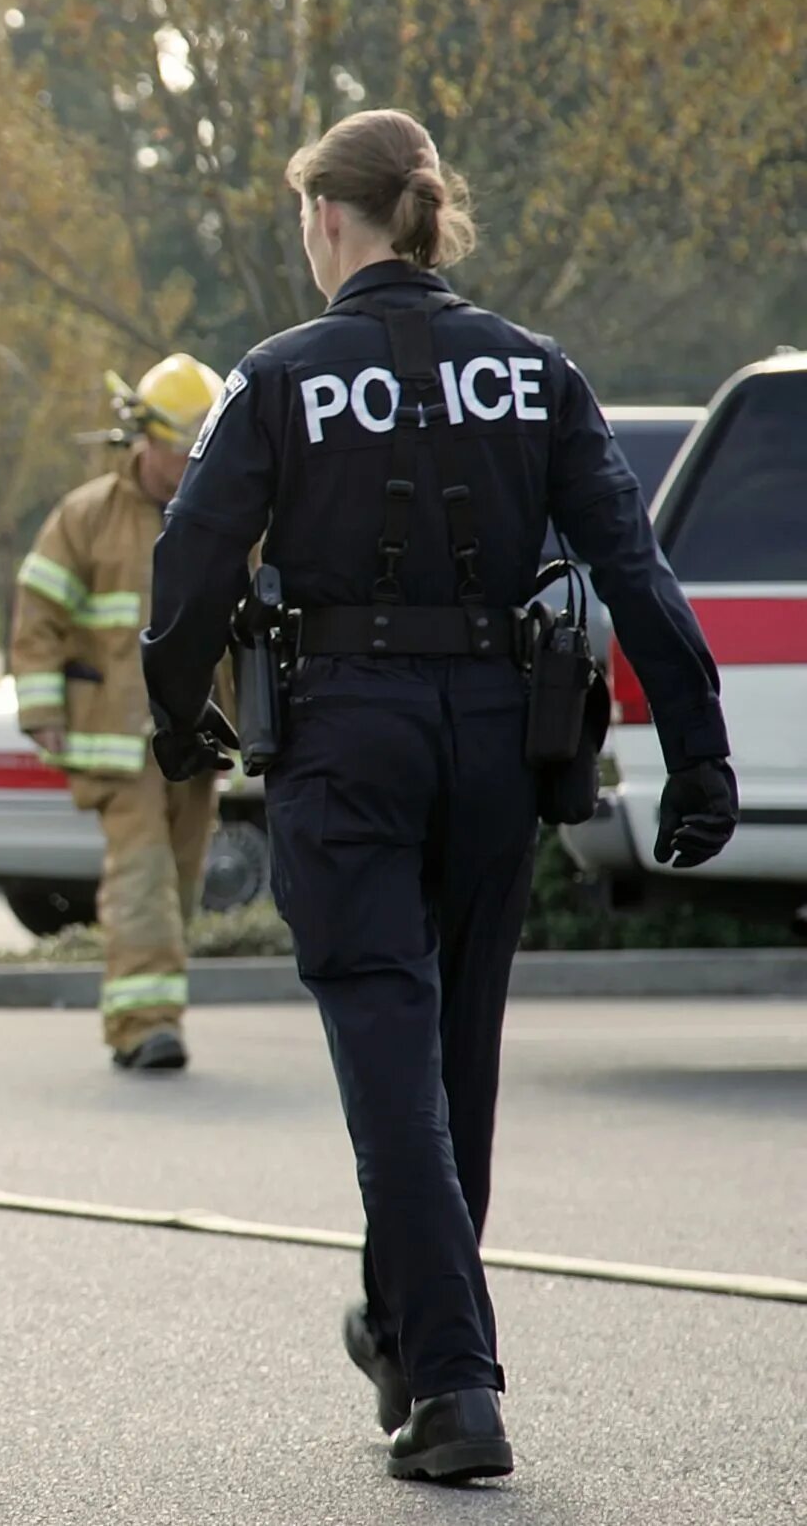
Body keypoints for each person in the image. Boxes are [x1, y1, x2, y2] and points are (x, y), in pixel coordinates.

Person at [142, 109, 736, 1484]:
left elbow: (192, 568)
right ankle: (409, 1331)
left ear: (331, 220)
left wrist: (182, 720)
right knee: (451, 1057)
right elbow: (632, 563)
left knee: (389, 1056)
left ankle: (457, 1379)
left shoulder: (281, 376)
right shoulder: (537, 371)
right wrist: (696, 747)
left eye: (304, 217)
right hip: (498, 745)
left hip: (348, 743)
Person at [10, 356, 225, 1071]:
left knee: (181, 881)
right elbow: (39, 615)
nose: (187, 466)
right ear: (146, 440)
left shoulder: (226, 517)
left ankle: (144, 1007)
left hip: (196, 739)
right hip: (119, 741)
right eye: (179, 451)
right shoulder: (88, 516)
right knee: (143, 878)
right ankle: (144, 1025)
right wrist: (42, 709)